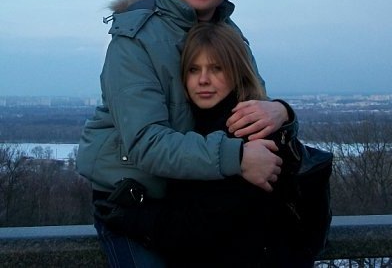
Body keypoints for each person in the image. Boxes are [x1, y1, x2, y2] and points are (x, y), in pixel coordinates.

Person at [76, 0, 297, 267]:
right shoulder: (135, 38)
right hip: (135, 202)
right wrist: (238, 157)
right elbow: (146, 143)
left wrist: (282, 113)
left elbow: (255, 109)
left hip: (202, 198)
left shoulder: (230, 35)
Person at [95, 22, 312, 267]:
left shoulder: (248, 132)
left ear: (237, 72)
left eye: (217, 69)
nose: (203, 80)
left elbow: (199, 227)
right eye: (193, 69)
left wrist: (130, 217)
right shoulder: (197, 126)